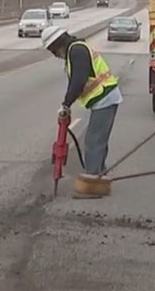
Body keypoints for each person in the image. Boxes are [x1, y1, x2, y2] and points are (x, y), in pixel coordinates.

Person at [40, 25, 122, 191]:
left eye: (52, 51)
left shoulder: (76, 51)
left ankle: (92, 181)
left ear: (57, 45)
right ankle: (99, 174)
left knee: (93, 140)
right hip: (104, 98)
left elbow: (79, 79)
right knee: (98, 138)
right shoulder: (75, 49)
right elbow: (76, 81)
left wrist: (66, 104)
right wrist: (67, 102)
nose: (55, 55)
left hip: (105, 97)